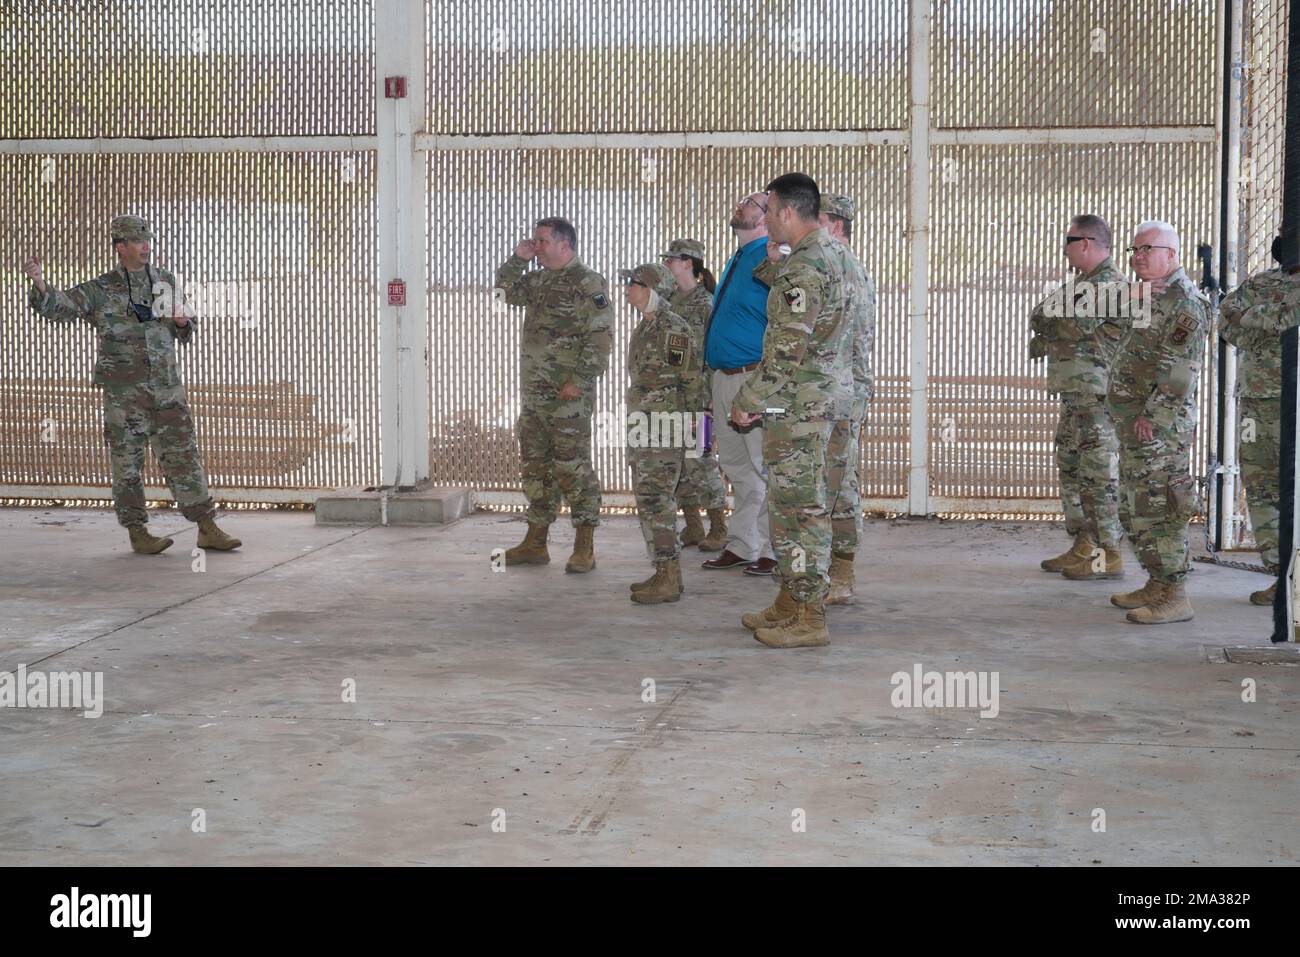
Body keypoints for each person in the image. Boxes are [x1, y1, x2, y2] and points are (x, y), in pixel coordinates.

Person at [23, 215, 241, 555]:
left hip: (167, 388)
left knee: (184, 457)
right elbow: (62, 308)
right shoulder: (101, 288)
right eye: (137, 241)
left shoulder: (164, 280)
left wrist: (183, 320)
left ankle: (207, 527)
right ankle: (138, 532)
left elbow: (185, 328)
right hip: (125, 394)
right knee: (127, 463)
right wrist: (40, 283)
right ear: (120, 247)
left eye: (147, 240)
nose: (145, 246)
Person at [732, 173, 851, 648]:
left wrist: (748, 401)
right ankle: (792, 599)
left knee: (800, 512)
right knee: (790, 510)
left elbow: (785, 351)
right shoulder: (831, 255)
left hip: (800, 408)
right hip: (815, 402)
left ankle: (811, 614)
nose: (765, 222)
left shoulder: (804, 268)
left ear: (784, 212)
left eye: (768, 212)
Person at [495, 217, 613, 573]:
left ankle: (584, 545)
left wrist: (578, 380)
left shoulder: (587, 282)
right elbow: (503, 293)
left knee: (572, 468)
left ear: (565, 244)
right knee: (535, 467)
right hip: (535, 396)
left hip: (568, 397)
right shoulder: (537, 280)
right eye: (535, 241)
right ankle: (536, 541)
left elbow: (600, 338)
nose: (537, 246)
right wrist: (517, 258)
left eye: (542, 241)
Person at [1107, 221, 1209, 624]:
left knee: (1161, 508)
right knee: (1136, 507)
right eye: (1134, 250)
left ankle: (1176, 595)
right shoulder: (1147, 295)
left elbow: (1181, 371)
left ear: (1172, 253)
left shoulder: (1185, 301)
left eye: (1147, 249)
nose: (1138, 257)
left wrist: (1154, 416)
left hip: (1159, 429)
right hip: (1134, 423)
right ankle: (1157, 582)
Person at [1029, 215, 1130, 580]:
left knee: (1098, 476)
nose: (1065, 248)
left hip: (1099, 398)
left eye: (1068, 241)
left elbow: (1071, 325)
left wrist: (1056, 325)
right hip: (1077, 396)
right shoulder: (1082, 284)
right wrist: (1055, 323)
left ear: (1085, 243)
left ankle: (1109, 553)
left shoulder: (1111, 286)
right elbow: (1039, 315)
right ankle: (1084, 544)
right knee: (1073, 472)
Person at [1218, 231, 1300, 604]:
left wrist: (1254, 318)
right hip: (1255, 400)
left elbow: (1284, 319)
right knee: (1261, 486)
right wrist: (1270, 322)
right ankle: (1280, 576)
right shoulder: (1263, 281)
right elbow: (1225, 321)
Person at [701, 193, 778, 576]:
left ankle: (772, 550)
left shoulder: (773, 259)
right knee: (736, 465)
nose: (739, 204)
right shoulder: (737, 258)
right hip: (723, 378)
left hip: (754, 377)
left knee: (764, 465)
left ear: (768, 218)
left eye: (751, 202)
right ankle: (743, 544)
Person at [624, 262, 700, 603]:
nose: (628, 288)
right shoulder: (644, 328)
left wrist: (696, 422)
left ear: (653, 288)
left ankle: (669, 576)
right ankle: (663, 570)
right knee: (647, 497)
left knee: (657, 498)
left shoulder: (673, 328)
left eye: (634, 283)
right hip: (644, 423)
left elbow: (690, 379)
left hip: (665, 426)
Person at [817, 194, 876, 604]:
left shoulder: (847, 271)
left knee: (840, 482)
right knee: (825, 482)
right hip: (830, 392)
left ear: (836, 226)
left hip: (843, 394)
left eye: (815, 220)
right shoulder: (830, 268)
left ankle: (843, 571)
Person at [660, 238, 729, 553]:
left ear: (688, 263)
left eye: (671, 260)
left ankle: (718, 526)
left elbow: (714, 351)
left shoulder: (707, 302)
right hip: (671, 392)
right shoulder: (669, 299)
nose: (666, 265)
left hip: (698, 394)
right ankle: (692, 525)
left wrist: (714, 394)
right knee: (677, 458)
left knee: (700, 459)